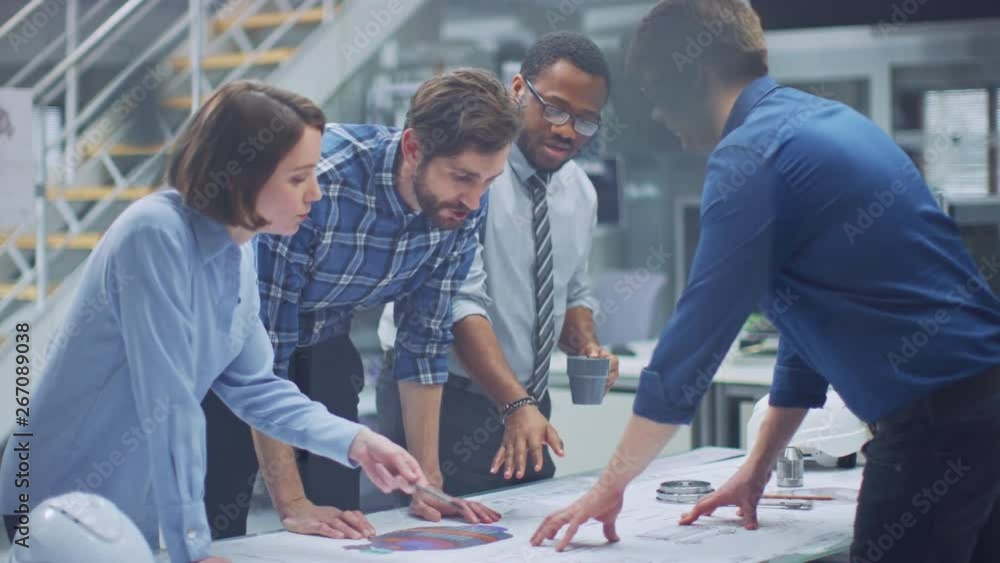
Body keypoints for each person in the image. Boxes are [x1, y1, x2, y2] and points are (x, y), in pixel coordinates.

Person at [530, 2, 1000, 561]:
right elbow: (804, 339)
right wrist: (756, 470)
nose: (656, 112)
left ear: (696, 74)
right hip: (978, 411)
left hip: (937, 422)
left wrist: (608, 489)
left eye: (656, 91)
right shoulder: (820, 121)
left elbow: (691, 346)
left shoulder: (752, 154)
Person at [0, 80, 427, 563]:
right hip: (60, 493)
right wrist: (193, 549)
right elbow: (172, 404)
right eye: (297, 178)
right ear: (240, 176)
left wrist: (358, 442)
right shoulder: (154, 235)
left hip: (124, 501)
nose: (314, 193)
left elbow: (254, 387)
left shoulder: (238, 248)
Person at [202, 69, 521, 539]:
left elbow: (424, 340)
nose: (474, 201)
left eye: (489, 181)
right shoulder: (316, 188)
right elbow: (266, 355)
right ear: (414, 149)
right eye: (462, 178)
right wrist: (291, 503)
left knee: (342, 520)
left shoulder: (464, 203)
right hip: (234, 353)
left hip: (327, 343)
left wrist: (427, 484)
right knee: (223, 519)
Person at [377, 31, 620, 498]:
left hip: (527, 403)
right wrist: (515, 403)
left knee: (530, 538)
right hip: (442, 399)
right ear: (516, 89)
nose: (567, 130)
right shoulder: (471, 178)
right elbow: (457, 302)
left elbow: (573, 292)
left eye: (586, 121)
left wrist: (587, 345)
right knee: (433, 541)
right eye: (553, 108)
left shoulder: (580, 193)